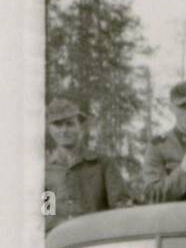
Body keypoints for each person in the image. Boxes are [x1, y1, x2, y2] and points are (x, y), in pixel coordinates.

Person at [44, 98, 131, 230]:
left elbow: (120, 207)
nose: (64, 130)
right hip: (60, 244)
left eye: (70, 124)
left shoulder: (103, 164)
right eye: (57, 125)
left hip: (94, 240)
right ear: (49, 129)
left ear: (81, 127)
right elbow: (47, 213)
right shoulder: (46, 171)